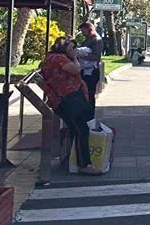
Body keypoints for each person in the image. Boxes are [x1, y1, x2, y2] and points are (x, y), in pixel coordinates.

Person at [41, 38, 98, 174]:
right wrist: (74, 58)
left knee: (75, 129)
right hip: (68, 99)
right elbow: (76, 70)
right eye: (71, 49)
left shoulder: (50, 57)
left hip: (64, 98)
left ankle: (69, 159)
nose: (74, 51)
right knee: (81, 130)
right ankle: (84, 164)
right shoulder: (60, 59)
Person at [78, 22, 104, 112]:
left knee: (89, 95)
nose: (82, 33)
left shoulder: (96, 40)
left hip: (91, 72)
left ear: (89, 29)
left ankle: (89, 117)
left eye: (83, 31)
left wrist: (81, 56)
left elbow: (96, 57)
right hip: (84, 70)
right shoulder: (88, 39)